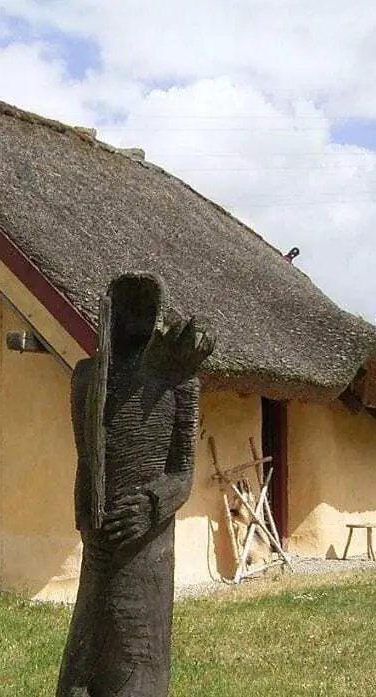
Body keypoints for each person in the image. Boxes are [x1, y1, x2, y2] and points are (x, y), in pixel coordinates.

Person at [57, 271, 214, 697]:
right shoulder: (89, 379)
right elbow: (86, 456)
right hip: (101, 537)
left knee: (138, 650)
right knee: (81, 667)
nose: (140, 319)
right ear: (111, 313)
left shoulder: (180, 383)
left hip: (149, 543)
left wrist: (151, 505)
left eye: (148, 308)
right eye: (131, 308)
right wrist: (86, 521)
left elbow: (183, 473)